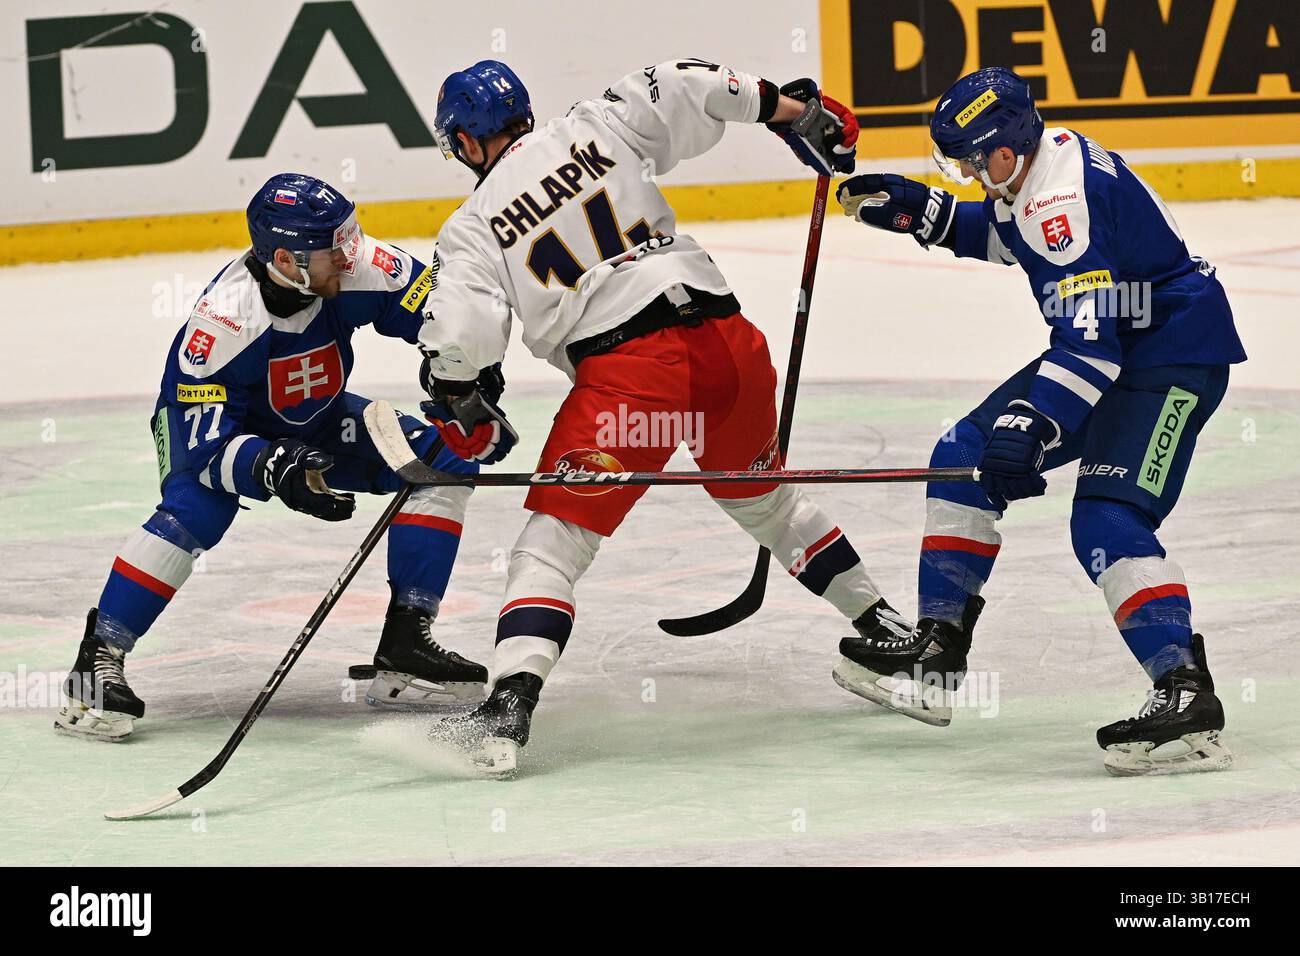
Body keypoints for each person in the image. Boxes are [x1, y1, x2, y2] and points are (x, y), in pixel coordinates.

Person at [415, 57, 911, 774]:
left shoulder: (472, 226)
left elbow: (461, 336)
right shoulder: (594, 124)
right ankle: (889, 630)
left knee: (554, 544)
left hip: (633, 381)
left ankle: (505, 712)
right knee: (766, 497)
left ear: (463, 143)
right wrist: (790, 111)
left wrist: (455, 383)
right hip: (728, 349)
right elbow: (685, 83)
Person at [834, 67, 1246, 775]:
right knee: (961, 455)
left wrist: (1033, 424)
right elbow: (1011, 237)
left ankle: (1186, 695)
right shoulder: (1034, 167)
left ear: (1006, 149)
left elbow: (1091, 344)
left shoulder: (1061, 198)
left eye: (970, 160)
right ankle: (937, 652)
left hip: (1175, 354)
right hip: (1127, 340)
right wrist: (922, 213)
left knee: (1107, 521)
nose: (964, 172)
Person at [56, 173, 489, 742]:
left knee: (442, 458)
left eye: (347, 237)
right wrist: (277, 469)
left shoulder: (347, 269)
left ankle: (406, 647)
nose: (349, 255)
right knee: (198, 506)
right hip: (215, 431)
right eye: (332, 249)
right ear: (286, 259)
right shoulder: (223, 326)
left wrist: (466, 382)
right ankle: (96, 663)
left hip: (316, 415)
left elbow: (437, 304)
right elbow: (207, 447)